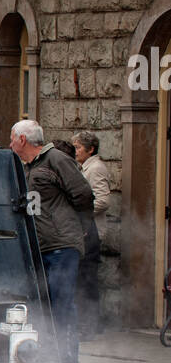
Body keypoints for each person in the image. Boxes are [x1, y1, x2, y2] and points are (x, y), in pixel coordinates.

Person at [9, 119, 94, 363]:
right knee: (44, 303)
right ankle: (49, 354)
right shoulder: (27, 167)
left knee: (62, 303)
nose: (10, 143)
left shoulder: (56, 159)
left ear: (22, 140)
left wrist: (78, 228)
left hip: (60, 244)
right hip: (41, 245)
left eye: (12, 138)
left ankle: (68, 359)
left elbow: (83, 194)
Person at [73, 130, 111, 337]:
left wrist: (80, 212)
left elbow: (103, 200)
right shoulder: (84, 167)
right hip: (85, 230)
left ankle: (91, 324)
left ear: (91, 149)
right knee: (83, 280)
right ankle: (87, 322)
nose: (75, 151)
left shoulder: (95, 168)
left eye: (79, 147)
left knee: (87, 280)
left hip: (91, 230)